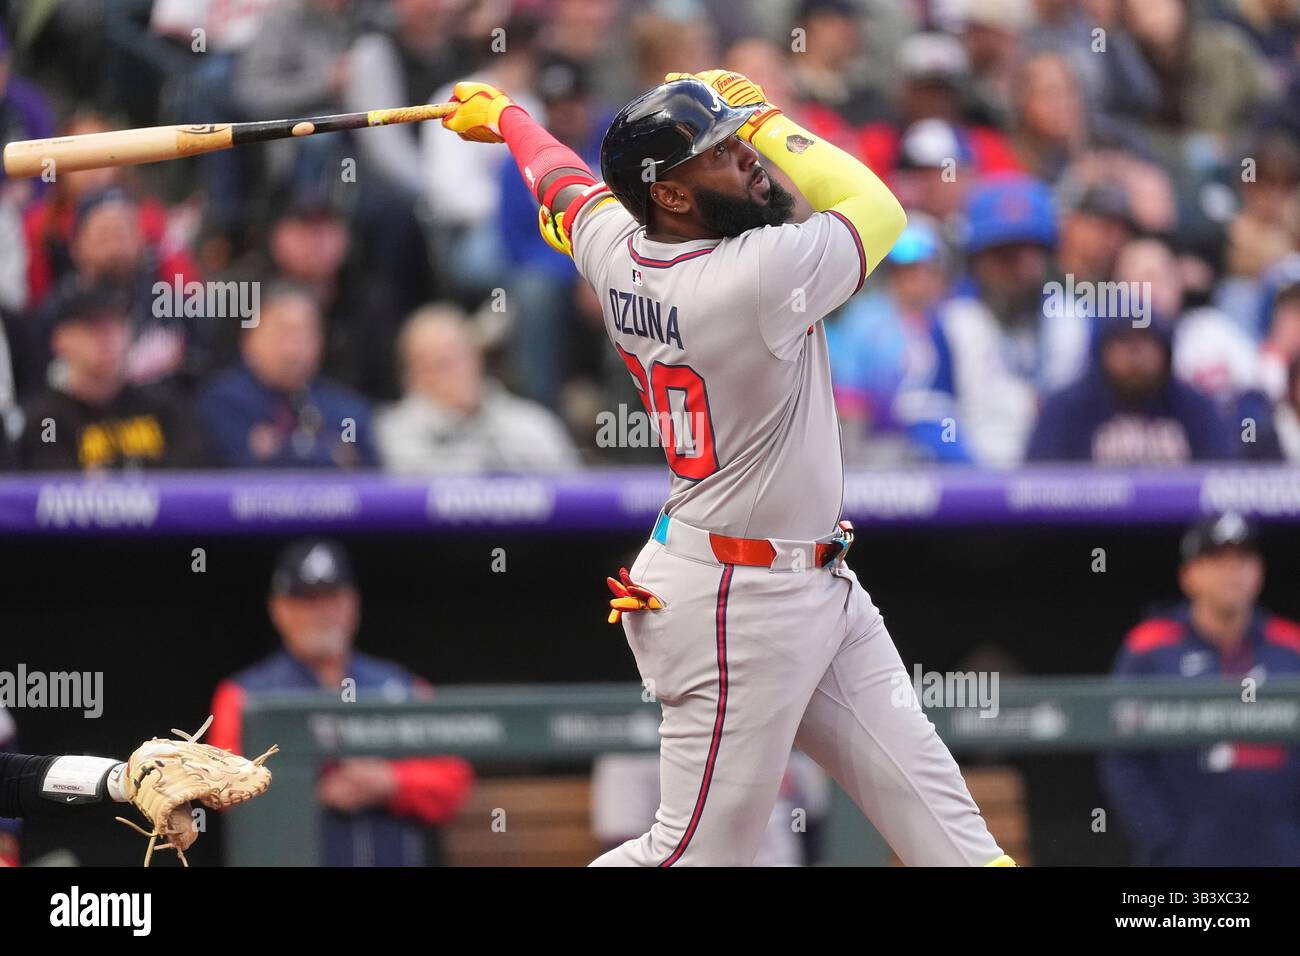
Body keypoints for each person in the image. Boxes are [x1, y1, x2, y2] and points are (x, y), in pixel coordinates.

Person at [437, 71, 1012, 866]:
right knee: (691, 859)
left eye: (736, 140)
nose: (744, 155)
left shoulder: (617, 245)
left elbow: (566, 185)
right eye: (716, 151)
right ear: (670, 196)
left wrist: (511, 121)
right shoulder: (751, 276)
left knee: (959, 847)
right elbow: (879, 211)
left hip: (807, 581)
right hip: (736, 601)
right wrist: (768, 117)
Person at [208, 538, 475, 867]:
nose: (322, 612)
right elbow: (221, 792)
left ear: (353, 602)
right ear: (279, 608)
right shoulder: (245, 693)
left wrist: (389, 783)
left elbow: (452, 778)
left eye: (332, 598)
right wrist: (311, 788)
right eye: (307, 600)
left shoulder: (398, 686)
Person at [1100, 514, 1300, 866]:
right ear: (1189, 575)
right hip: (1185, 854)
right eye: (1217, 560)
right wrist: (1163, 839)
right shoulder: (1151, 647)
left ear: (1260, 572)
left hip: (1280, 849)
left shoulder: (1290, 645)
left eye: (1243, 560)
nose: (1232, 572)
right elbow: (1121, 755)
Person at [13, 286, 209, 470]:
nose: (107, 339)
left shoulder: (164, 409)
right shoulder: (47, 422)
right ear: (60, 341)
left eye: (115, 325)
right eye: (92, 328)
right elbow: (53, 489)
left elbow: (194, 478)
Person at [374, 305, 579, 474]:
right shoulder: (394, 432)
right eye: (439, 363)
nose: (455, 372)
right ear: (412, 376)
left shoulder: (531, 423)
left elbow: (576, 502)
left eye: (460, 356)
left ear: (478, 358)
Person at [197, 283, 376, 468]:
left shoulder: (348, 412)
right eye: (281, 332)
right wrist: (327, 452)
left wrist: (279, 448)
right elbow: (244, 463)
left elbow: (362, 470)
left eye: (305, 334)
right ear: (249, 338)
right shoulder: (224, 402)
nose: (293, 349)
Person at [1026, 314, 1233, 464]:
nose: (1136, 358)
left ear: (1166, 351)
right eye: (1125, 344)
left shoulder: (1195, 407)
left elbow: (1224, 479)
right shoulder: (1066, 408)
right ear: (1101, 351)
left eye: (1147, 343)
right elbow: (1038, 487)